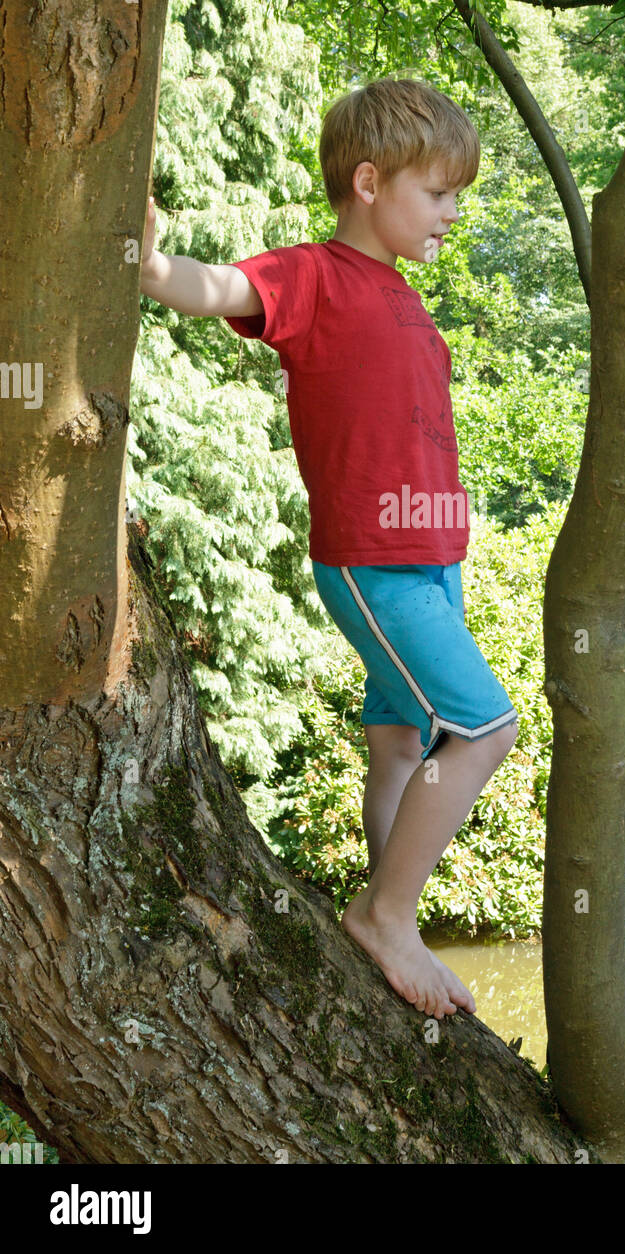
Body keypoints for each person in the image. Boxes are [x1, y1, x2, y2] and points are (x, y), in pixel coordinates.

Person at [139, 77, 518, 1020]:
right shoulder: (313, 275)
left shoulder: (402, 298)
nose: (452, 212)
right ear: (367, 181)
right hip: (375, 562)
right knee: (482, 728)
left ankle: (399, 915)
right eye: (437, 193)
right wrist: (154, 271)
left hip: (432, 563)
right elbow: (225, 287)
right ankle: (384, 916)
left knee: (400, 740)